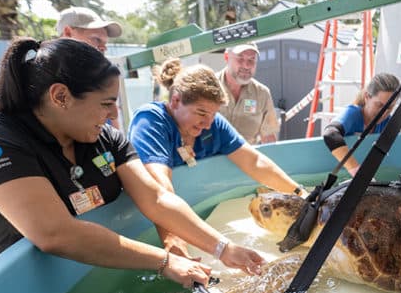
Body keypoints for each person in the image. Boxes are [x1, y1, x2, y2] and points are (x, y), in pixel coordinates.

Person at [0, 38, 264, 290]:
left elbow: (157, 198)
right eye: (106, 103)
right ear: (61, 96)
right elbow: (56, 233)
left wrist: (223, 248)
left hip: (105, 276)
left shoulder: (105, 138)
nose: (112, 114)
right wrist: (166, 261)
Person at [128, 58, 306, 254]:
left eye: (213, 114)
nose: (207, 123)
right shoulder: (150, 121)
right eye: (201, 113)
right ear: (176, 100)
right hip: (149, 224)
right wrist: (176, 242)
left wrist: (300, 193)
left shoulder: (214, 124)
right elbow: (160, 189)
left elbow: (254, 161)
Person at [322, 72, 401, 176]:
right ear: (367, 97)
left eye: (390, 107)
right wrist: (356, 170)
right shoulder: (352, 114)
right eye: (379, 105)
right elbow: (330, 134)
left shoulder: (388, 122)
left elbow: (399, 147)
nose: (384, 112)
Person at [217, 43, 280, 145]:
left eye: (251, 60)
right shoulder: (209, 88)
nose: (246, 65)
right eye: (240, 59)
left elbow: (269, 139)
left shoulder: (261, 94)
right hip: (212, 159)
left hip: (246, 159)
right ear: (226, 57)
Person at [55, 6, 123, 53]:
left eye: (105, 43)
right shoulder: (48, 71)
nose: (104, 48)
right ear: (68, 33)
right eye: (96, 39)